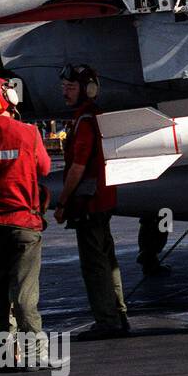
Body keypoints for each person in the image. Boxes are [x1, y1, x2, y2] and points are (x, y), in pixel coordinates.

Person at [0, 78, 50, 368]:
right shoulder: (27, 132)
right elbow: (45, 167)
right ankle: (35, 355)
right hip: (22, 225)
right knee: (25, 294)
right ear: (9, 98)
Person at [54, 64, 130, 339]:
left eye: (71, 87)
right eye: (63, 87)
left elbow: (77, 167)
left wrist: (61, 202)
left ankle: (107, 320)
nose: (65, 91)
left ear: (87, 90)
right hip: (101, 199)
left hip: (89, 203)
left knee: (95, 265)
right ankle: (119, 315)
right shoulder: (91, 117)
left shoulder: (85, 120)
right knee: (107, 260)